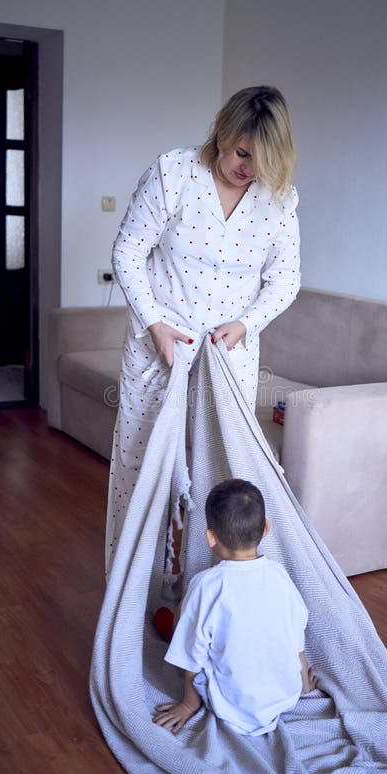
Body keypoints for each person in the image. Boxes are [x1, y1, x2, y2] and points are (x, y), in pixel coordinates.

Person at [106, 86, 301, 575]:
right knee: (142, 469)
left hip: (228, 356)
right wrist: (154, 324)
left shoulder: (278, 198)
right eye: (241, 153)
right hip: (160, 348)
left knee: (223, 473)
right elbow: (128, 251)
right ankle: (135, 590)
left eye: (262, 160)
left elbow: (286, 280)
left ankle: (212, 591)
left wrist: (245, 323)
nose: (248, 169)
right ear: (223, 132)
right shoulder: (173, 173)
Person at [153, 479, 316, 736]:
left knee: (187, 611)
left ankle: (170, 628)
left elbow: (193, 655)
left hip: (230, 705)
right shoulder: (280, 576)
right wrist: (303, 685)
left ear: (210, 538)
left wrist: (187, 704)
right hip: (286, 695)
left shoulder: (206, 585)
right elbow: (296, 637)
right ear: (266, 529)